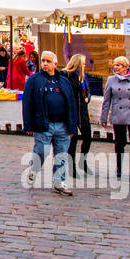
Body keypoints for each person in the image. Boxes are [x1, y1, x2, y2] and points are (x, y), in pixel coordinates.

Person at [22, 51, 77, 195]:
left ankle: (59, 182)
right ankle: (34, 169)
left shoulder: (63, 81)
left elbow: (71, 103)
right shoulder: (34, 80)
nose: (45, 64)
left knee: (61, 155)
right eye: (43, 61)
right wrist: (28, 125)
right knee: (41, 151)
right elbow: (27, 103)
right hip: (43, 124)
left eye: (48, 61)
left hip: (62, 125)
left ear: (55, 64)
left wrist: (72, 126)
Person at [100, 55, 130, 183]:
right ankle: (120, 168)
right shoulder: (111, 80)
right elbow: (106, 101)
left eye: (118, 65)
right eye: (115, 65)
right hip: (118, 115)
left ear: (126, 67)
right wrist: (104, 117)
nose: (116, 67)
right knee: (119, 143)